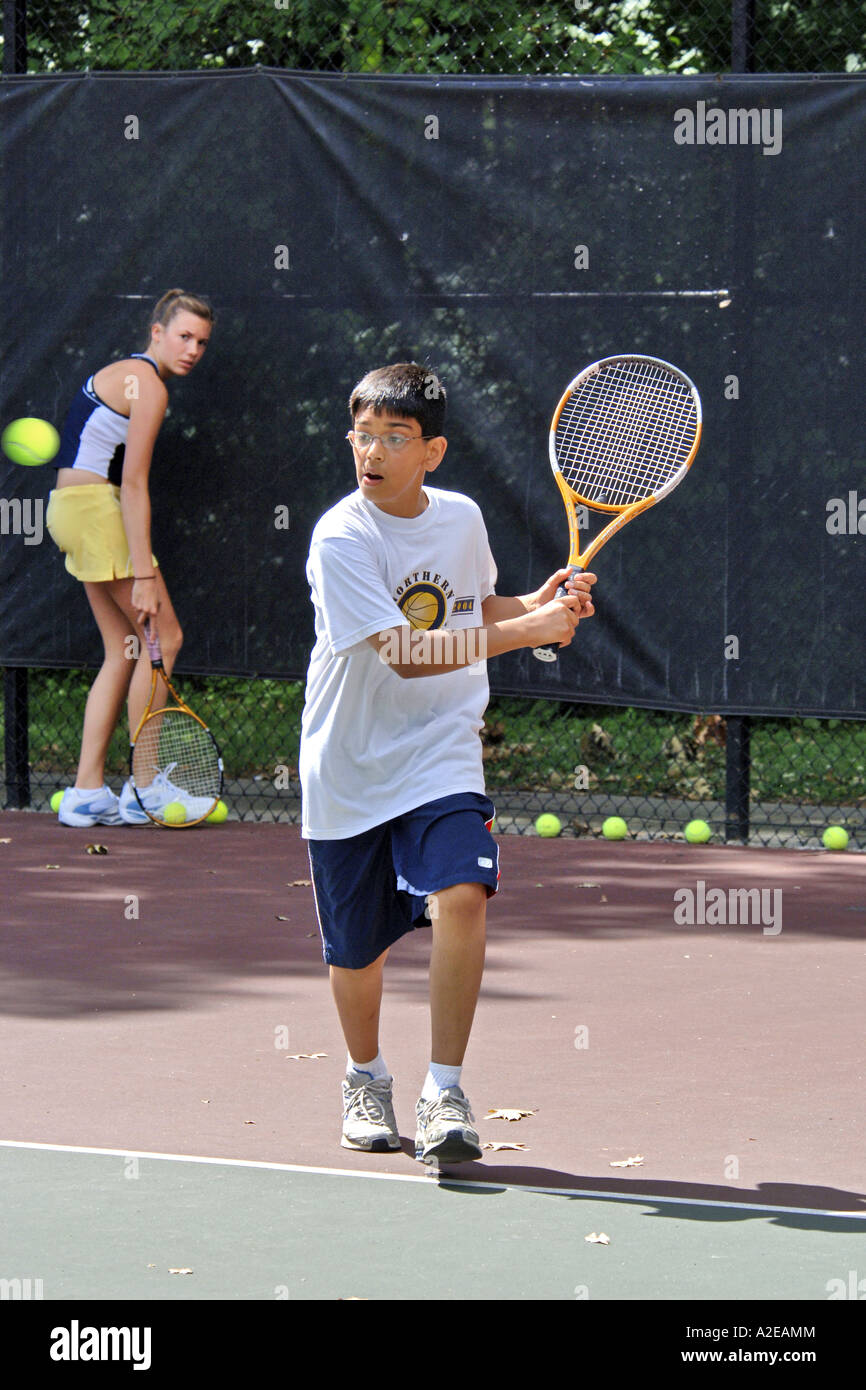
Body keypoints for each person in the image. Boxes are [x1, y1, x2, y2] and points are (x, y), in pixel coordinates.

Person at [299, 362, 597, 1164]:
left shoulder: (461, 519)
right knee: (356, 955)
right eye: (363, 435)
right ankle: (365, 1076)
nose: (374, 452)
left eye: (395, 438)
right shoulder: (341, 535)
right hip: (349, 765)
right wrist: (523, 633)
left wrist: (539, 604)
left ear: (431, 452)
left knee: (461, 894)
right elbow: (403, 651)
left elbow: (479, 610)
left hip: (440, 752)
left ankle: (445, 1091)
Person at [45, 289, 214, 827]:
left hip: (68, 510)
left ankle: (86, 793)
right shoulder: (151, 388)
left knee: (123, 649)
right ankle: (142, 788)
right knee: (167, 637)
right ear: (156, 332)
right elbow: (135, 484)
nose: (192, 349)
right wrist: (144, 573)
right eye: (184, 336)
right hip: (96, 509)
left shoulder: (119, 372)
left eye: (202, 342)